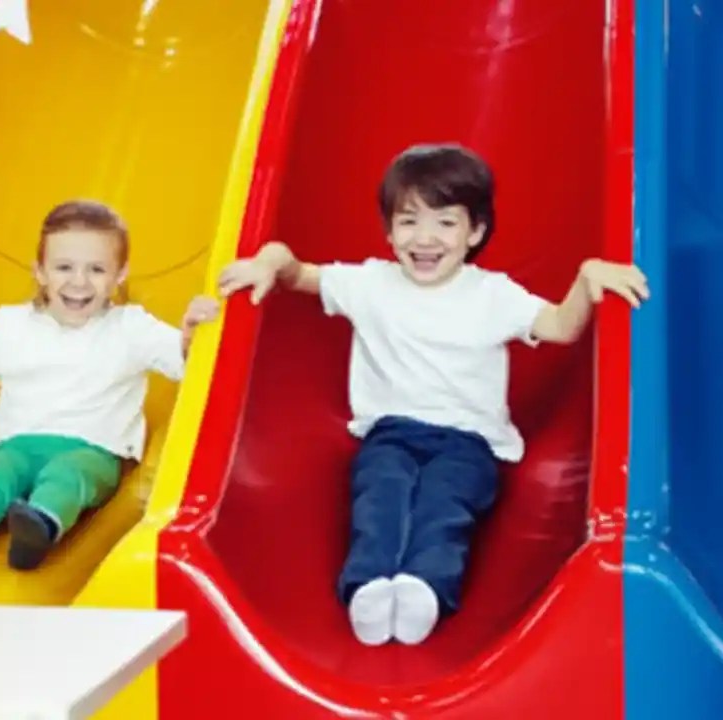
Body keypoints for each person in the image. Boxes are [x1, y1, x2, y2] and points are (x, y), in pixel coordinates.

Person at [216, 144, 649, 647]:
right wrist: (269, 260)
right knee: (380, 494)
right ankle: (369, 586)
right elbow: (298, 273)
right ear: (388, 230)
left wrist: (587, 277)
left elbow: (558, 327)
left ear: (475, 233)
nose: (424, 238)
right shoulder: (370, 282)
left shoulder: (492, 293)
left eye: (445, 223)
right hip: (390, 432)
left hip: (468, 440)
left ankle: (425, 586)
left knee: (445, 503)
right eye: (408, 221)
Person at [0, 199, 218, 571]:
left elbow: (179, 358)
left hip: (95, 452)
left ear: (120, 274)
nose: (79, 282)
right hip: (18, 444)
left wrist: (190, 334)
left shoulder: (130, 327)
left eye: (97, 269)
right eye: (64, 267)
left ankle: (40, 528)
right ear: (40, 271)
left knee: (68, 476)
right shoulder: (12, 325)